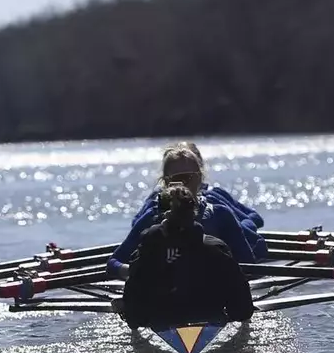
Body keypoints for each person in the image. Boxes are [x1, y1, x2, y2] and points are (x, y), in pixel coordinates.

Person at [108, 141, 266, 277]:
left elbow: (248, 265)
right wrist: (134, 272)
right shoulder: (151, 217)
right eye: (177, 179)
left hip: (212, 295)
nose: (183, 185)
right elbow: (113, 263)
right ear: (165, 182)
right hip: (163, 297)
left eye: (189, 177)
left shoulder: (221, 214)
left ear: (200, 179)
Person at [119, 182, 256, 329]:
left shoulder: (146, 250)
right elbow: (243, 310)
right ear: (194, 213)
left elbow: (133, 316)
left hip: (161, 320)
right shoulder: (216, 248)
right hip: (210, 316)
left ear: (160, 216)